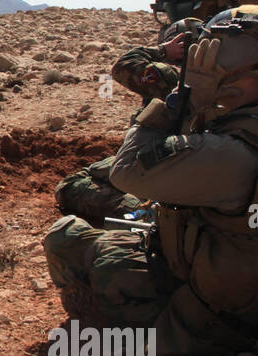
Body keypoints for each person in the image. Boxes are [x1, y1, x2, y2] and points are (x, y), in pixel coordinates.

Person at [44, 6, 258, 356]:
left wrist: (182, 97)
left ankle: (107, 326)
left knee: (67, 237)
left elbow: (128, 170)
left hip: (211, 322)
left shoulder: (236, 150)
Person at [54, 17, 203, 224]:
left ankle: (144, 212)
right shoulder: (223, 85)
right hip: (200, 165)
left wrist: (163, 51)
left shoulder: (169, 76)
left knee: (72, 185)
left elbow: (124, 66)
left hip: (158, 159)